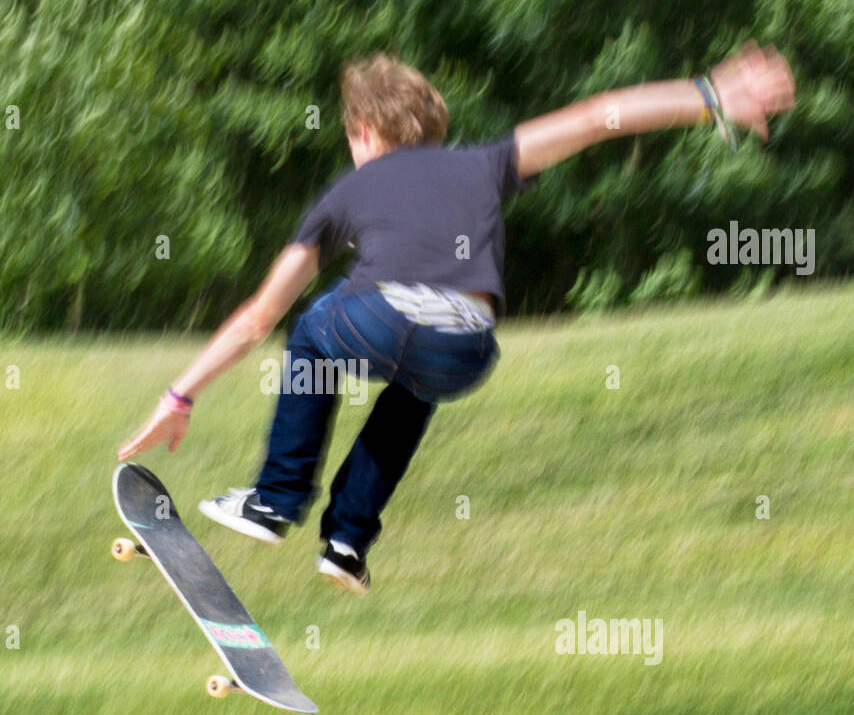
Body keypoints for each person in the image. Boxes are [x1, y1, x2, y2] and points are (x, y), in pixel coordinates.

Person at [117, 43, 795, 594]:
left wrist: (180, 394)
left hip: (380, 318)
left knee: (312, 327)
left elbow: (256, 316)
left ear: (362, 132)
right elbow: (598, 116)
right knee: (415, 386)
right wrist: (711, 97)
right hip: (467, 348)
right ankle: (348, 540)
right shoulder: (485, 163)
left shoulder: (348, 189)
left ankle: (274, 500)